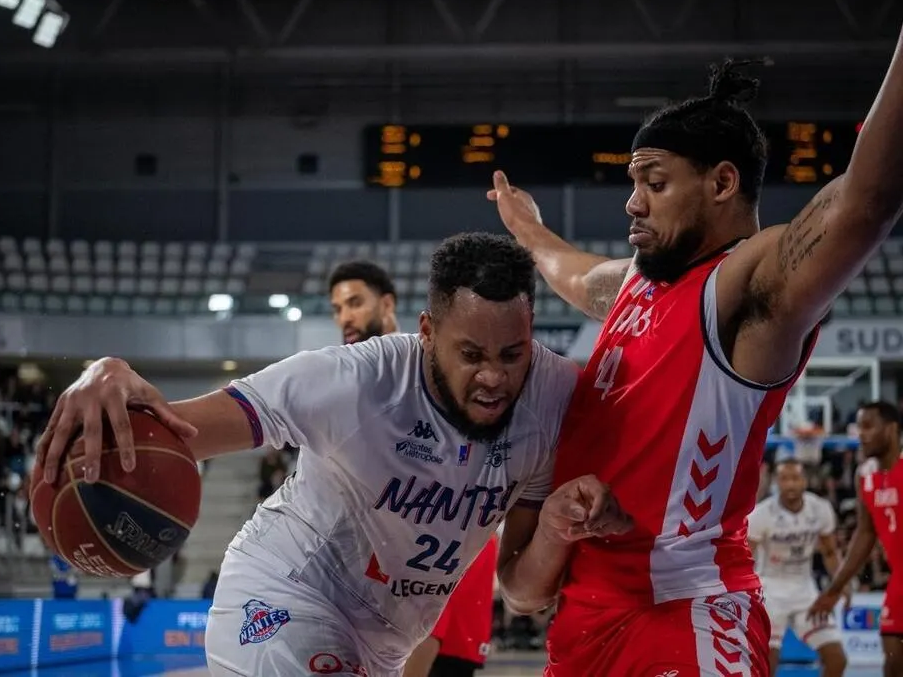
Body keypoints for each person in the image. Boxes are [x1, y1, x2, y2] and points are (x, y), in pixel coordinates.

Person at [35, 232, 633, 677]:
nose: (494, 379)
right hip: (282, 592)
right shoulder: (353, 380)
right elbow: (181, 432)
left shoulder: (554, 395)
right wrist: (106, 371)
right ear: (426, 331)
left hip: (384, 644)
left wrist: (556, 527)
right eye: (471, 354)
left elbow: (524, 594)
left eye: (512, 354)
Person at [490, 46, 903, 676]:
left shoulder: (747, 289)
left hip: (684, 617)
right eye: (634, 185)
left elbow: (865, 203)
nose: (633, 203)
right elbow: (569, 272)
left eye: (653, 183)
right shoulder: (634, 285)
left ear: (721, 182)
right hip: (580, 626)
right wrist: (527, 230)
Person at [328, 259, 499, 677]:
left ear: (386, 303)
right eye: (337, 309)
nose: (345, 317)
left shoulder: (429, 366)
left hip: (438, 549)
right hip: (389, 561)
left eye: (354, 303)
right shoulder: (349, 380)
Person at [811, 402, 903, 676]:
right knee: (892, 665)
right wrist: (835, 587)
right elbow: (865, 535)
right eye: (858, 427)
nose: (860, 434)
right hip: (899, 582)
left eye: (867, 427)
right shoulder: (864, 475)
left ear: (891, 429)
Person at [748, 458, 847, 676]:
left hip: (805, 590)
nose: (790, 484)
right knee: (767, 664)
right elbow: (746, 558)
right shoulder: (761, 514)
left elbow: (830, 553)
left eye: (795, 478)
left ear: (805, 480)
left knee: (837, 659)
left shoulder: (820, 509)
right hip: (770, 589)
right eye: (784, 479)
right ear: (776, 482)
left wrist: (842, 585)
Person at [329, 259, 399, 344]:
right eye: (338, 309)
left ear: (387, 305)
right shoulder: (338, 356)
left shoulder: (415, 355)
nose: (344, 319)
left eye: (355, 304)